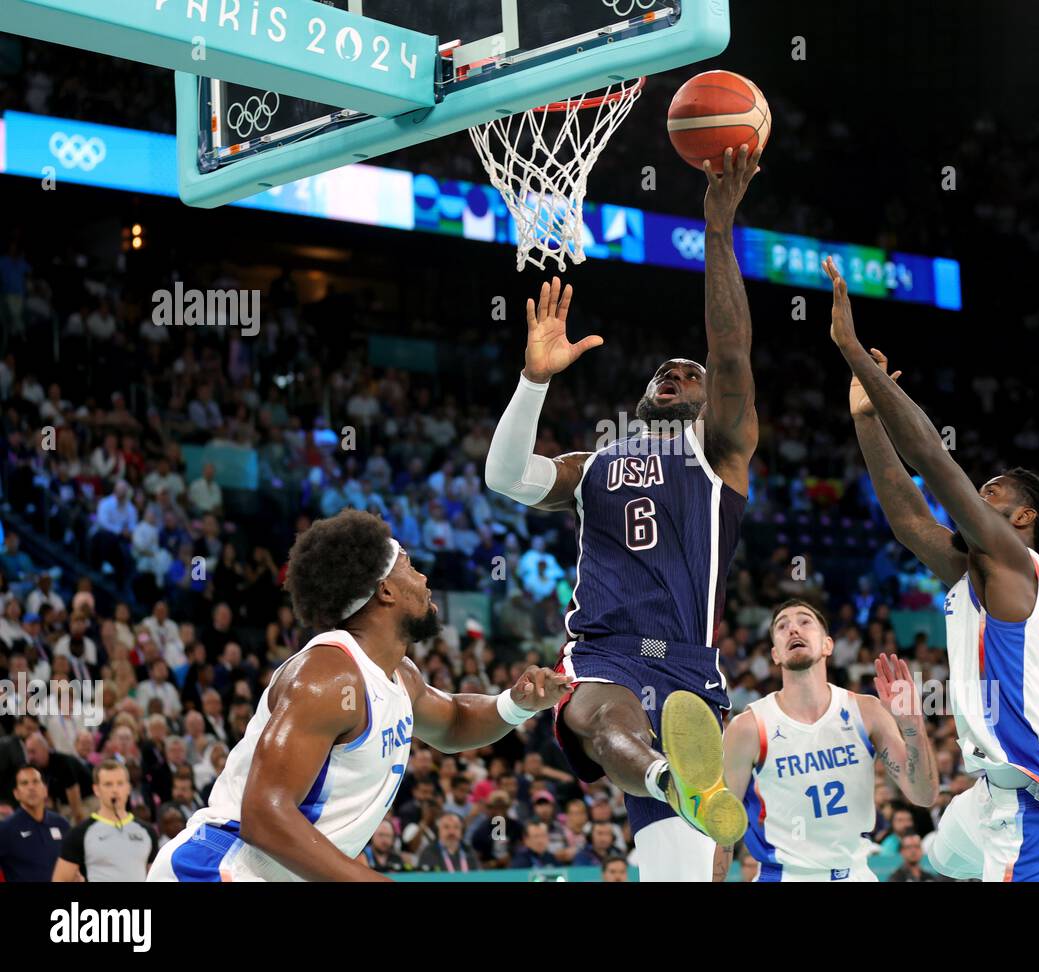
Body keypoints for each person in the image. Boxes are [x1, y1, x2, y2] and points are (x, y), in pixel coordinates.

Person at [484, 145, 764, 882]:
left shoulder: (719, 454)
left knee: (679, 873)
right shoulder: (594, 463)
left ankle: (681, 785)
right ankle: (675, 779)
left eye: (690, 375)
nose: (676, 374)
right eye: (664, 372)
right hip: (606, 650)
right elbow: (506, 476)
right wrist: (532, 381)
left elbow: (730, 351)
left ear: (710, 402)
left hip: (689, 664)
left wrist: (716, 231)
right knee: (598, 718)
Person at [826, 263, 1039, 882]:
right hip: (987, 795)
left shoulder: (1012, 562)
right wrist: (867, 420)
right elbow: (909, 520)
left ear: (1023, 516)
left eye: (994, 491)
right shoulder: (976, 571)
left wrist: (852, 350)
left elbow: (930, 457)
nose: (981, 490)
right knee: (943, 862)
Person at [148, 510, 570, 882]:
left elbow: (454, 722)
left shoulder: (399, 675)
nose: (424, 578)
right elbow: (264, 816)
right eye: (409, 565)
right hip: (218, 868)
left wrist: (517, 705)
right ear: (385, 590)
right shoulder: (328, 676)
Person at [714, 600, 937, 882]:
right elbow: (723, 828)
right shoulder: (748, 727)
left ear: (828, 645)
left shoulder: (866, 712)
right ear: (775, 655)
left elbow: (924, 796)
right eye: (782, 626)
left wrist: (914, 728)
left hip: (856, 873)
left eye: (805, 621)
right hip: (785, 875)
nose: (793, 628)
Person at [53, 761, 157, 882]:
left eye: (120, 784)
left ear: (128, 788)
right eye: (108, 784)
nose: (115, 790)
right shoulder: (79, 834)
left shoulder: (147, 832)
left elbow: (155, 877)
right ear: (96, 789)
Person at [0, 766, 70, 881]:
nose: (31, 787)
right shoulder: (6, 829)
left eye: (35, 781)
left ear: (45, 790)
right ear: (16, 794)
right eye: (24, 783)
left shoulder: (62, 824)